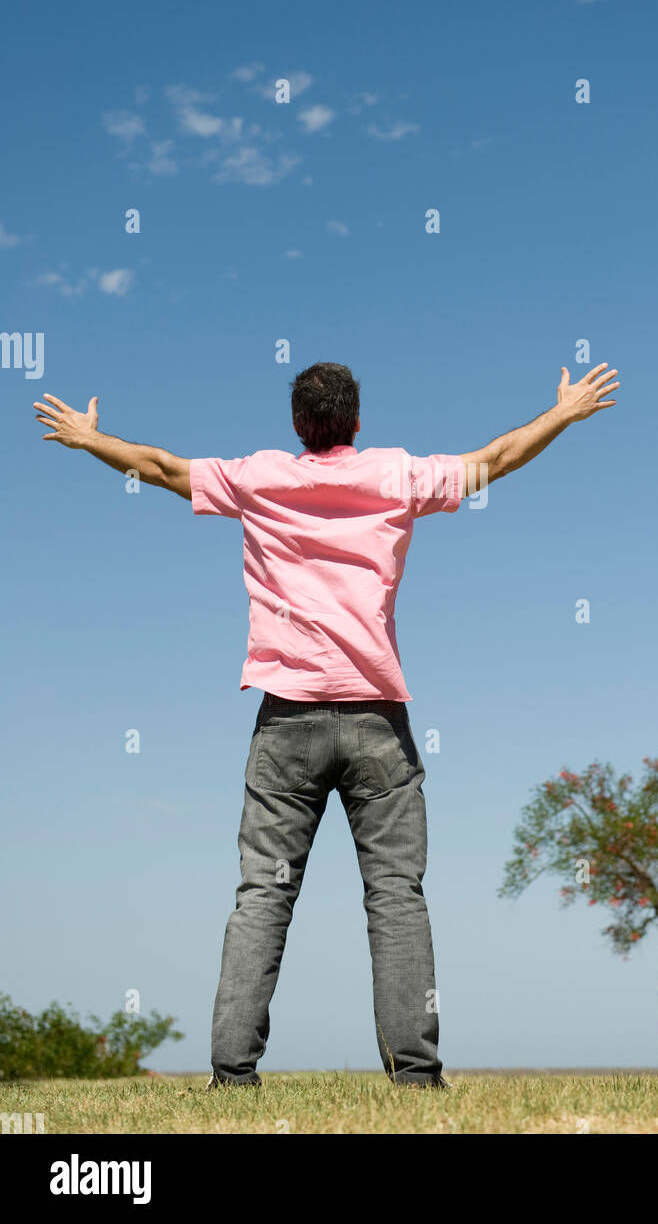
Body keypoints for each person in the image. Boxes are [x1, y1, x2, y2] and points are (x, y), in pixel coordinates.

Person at [33, 358, 618, 1088]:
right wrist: (561, 413)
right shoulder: (397, 475)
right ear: (357, 422)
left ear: (296, 426)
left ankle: (233, 1075)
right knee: (396, 894)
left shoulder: (258, 476)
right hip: (376, 720)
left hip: (286, 725)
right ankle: (414, 1076)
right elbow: (494, 460)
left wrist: (89, 438)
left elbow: (158, 467)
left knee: (263, 893)